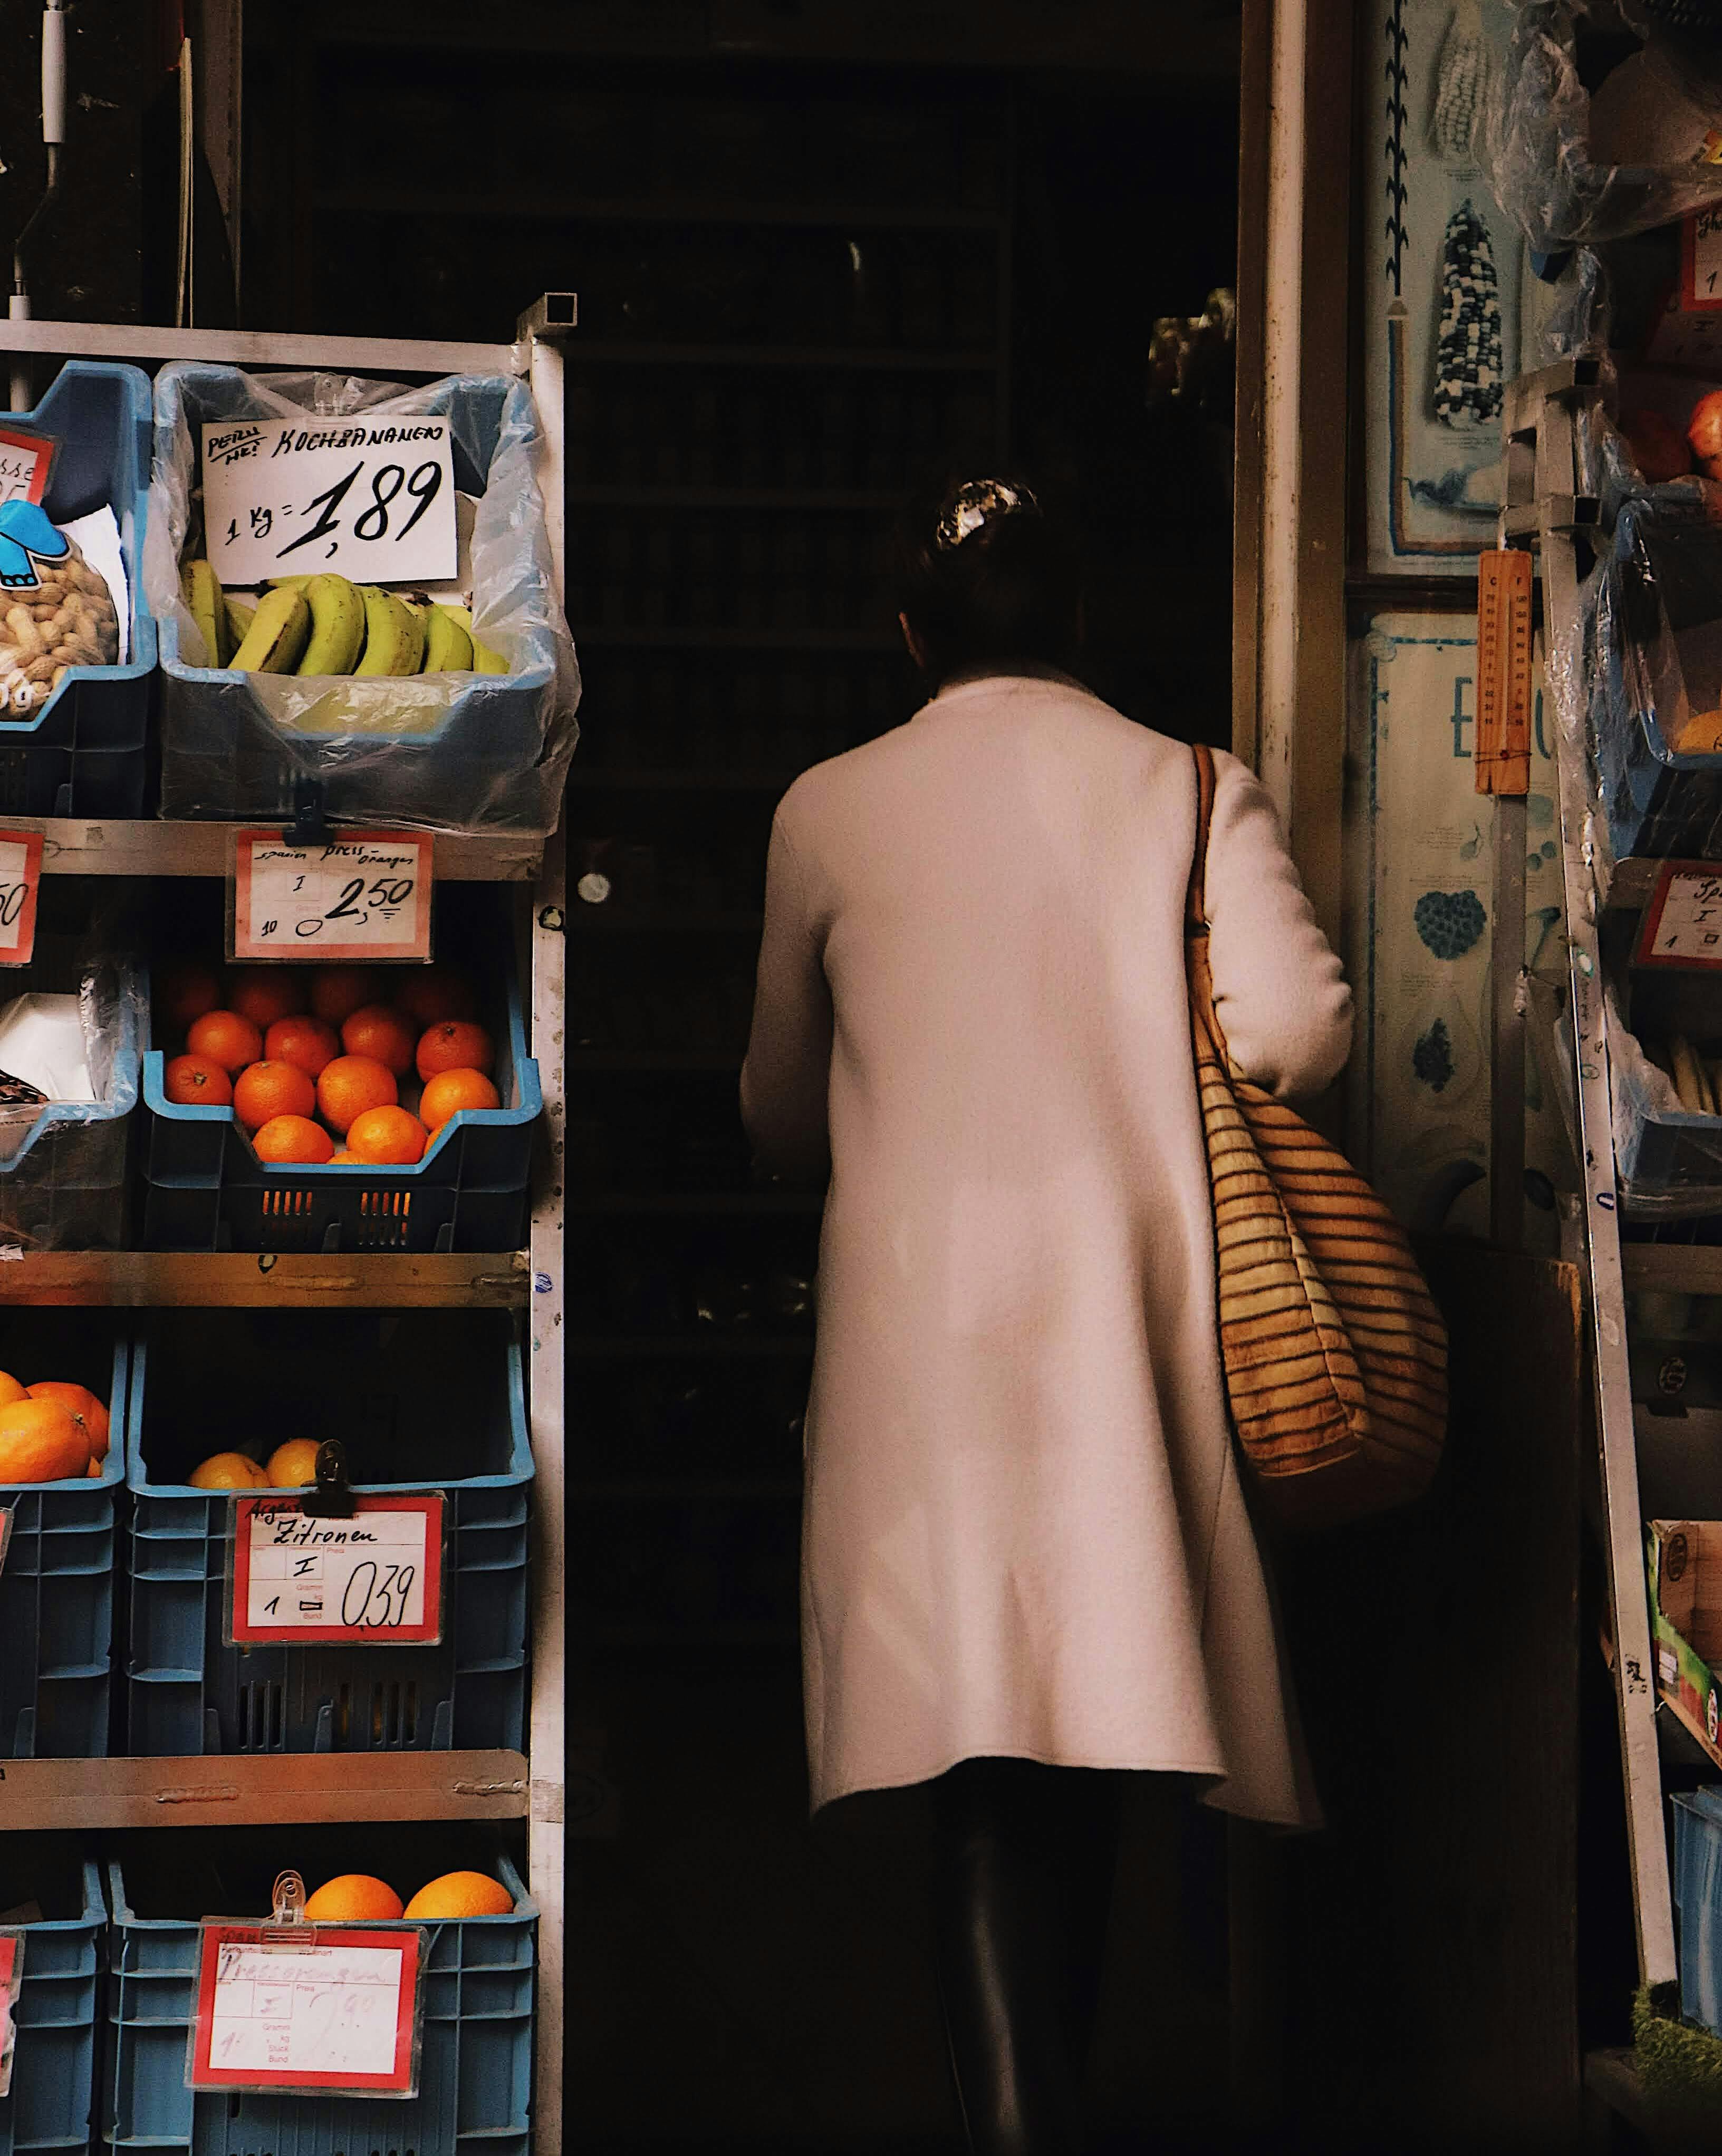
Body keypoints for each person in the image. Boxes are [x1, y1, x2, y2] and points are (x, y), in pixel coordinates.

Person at [739, 473, 1353, 2155]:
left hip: (917, 1330)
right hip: (1115, 1318)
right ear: (1084, 624)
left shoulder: (825, 808)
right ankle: (1036, 2115)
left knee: (986, 1742)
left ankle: (1025, 2117)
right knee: (1081, 1731)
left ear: (909, 636)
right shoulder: (1185, 782)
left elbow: (778, 1114)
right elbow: (1298, 1039)